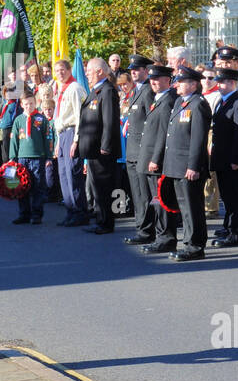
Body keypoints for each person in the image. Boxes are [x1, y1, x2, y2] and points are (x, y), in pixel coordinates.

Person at [162, 69, 211, 262]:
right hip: (176, 164)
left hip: (189, 166)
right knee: (185, 208)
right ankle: (189, 243)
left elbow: (198, 139)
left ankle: (196, 246)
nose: (176, 85)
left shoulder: (198, 105)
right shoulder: (179, 102)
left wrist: (193, 166)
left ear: (192, 84)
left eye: (180, 82)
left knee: (193, 208)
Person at [210, 67, 238, 248]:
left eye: (221, 82)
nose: (218, 85)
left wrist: (237, 159)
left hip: (232, 161)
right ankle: (229, 227)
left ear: (231, 83)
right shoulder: (223, 101)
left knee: (237, 198)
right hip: (222, 159)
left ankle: (237, 232)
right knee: (228, 197)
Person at [76, 57, 120, 235]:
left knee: (104, 187)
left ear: (100, 71)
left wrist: (106, 145)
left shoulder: (107, 90)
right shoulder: (96, 91)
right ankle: (100, 220)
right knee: (97, 188)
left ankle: (106, 223)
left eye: (89, 71)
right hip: (93, 149)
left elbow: (109, 121)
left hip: (102, 150)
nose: (86, 74)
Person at [138, 65, 179, 253]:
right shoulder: (158, 99)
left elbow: (164, 134)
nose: (153, 82)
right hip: (149, 159)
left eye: (158, 78)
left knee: (161, 201)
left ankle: (166, 238)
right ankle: (160, 235)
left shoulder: (169, 100)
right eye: (152, 79)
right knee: (156, 200)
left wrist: (156, 158)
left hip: (157, 161)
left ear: (167, 80)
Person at [121, 56, 156, 245]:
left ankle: (146, 231)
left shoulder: (149, 91)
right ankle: (141, 228)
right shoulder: (137, 91)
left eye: (138, 69)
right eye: (132, 69)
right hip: (132, 151)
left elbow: (150, 123)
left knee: (144, 195)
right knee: (137, 194)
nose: (133, 72)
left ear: (146, 70)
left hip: (142, 151)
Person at [52, 60, 88, 227]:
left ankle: (80, 212)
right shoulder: (61, 89)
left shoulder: (74, 88)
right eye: (57, 70)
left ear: (68, 70)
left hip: (73, 131)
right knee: (64, 175)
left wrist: (76, 140)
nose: (59, 73)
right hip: (63, 133)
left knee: (73, 174)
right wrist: (59, 140)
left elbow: (80, 115)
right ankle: (70, 210)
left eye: (62, 70)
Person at [7, 92, 51, 225]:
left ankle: (36, 214)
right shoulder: (18, 120)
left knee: (38, 186)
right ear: (21, 105)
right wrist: (12, 158)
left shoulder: (42, 119)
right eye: (26, 104)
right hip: (22, 159)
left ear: (35, 103)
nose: (29, 106)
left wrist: (48, 156)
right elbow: (14, 140)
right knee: (22, 186)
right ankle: (24, 214)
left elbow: (48, 138)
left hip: (38, 157)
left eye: (31, 103)